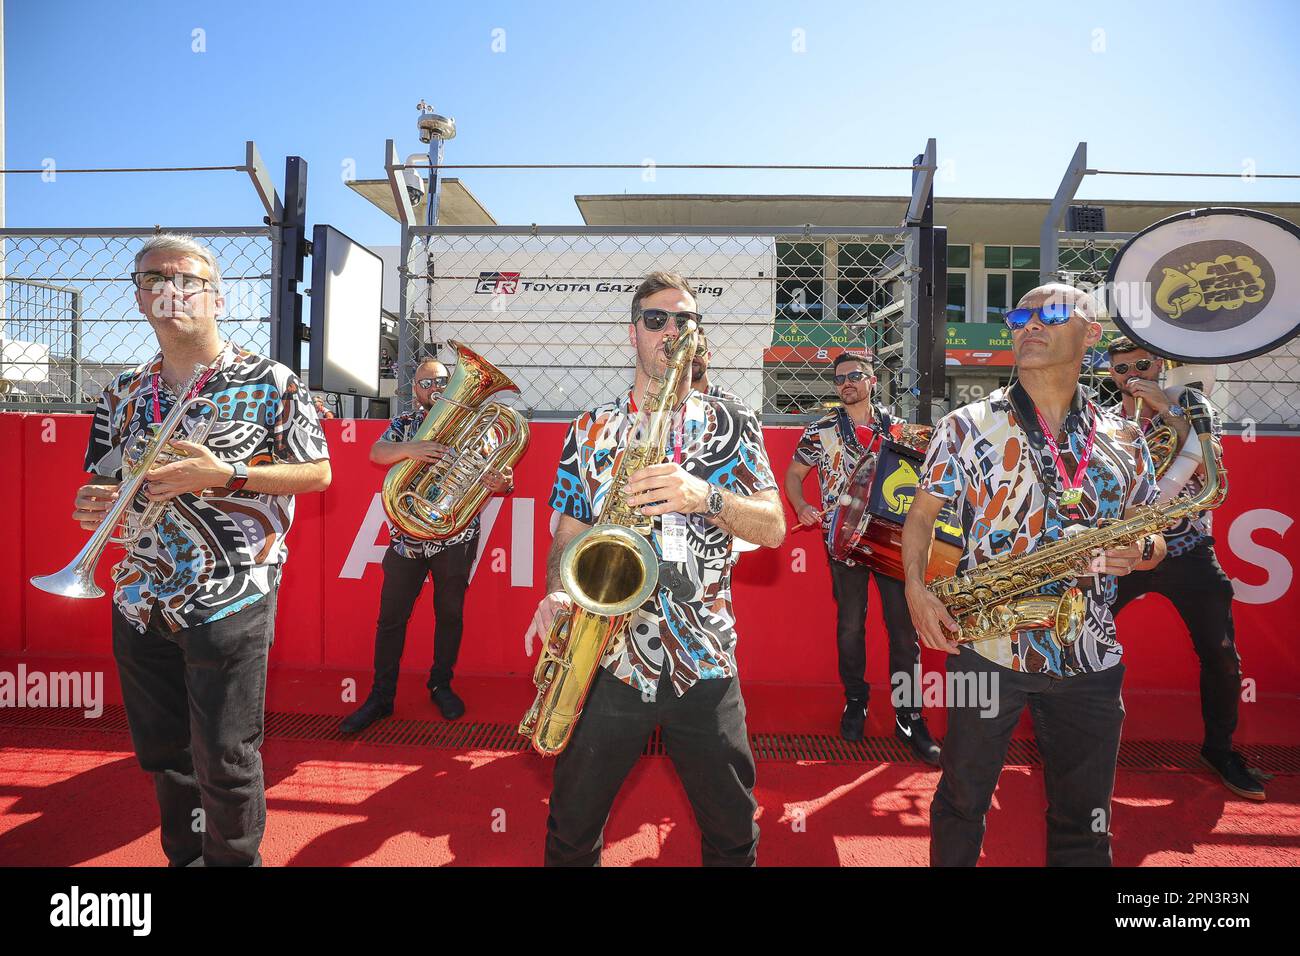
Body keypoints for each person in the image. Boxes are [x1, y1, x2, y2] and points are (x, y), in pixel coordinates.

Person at [72, 234, 331, 866]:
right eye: (152, 279)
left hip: (231, 591)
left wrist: (226, 474)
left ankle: (235, 862)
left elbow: (318, 473)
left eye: (186, 280)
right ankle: (185, 855)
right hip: (139, 593)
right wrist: (94, 505)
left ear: (217, 298)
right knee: (165, 750)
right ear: (138, 299)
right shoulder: (121, 392)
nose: (169, 290)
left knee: (226, 752)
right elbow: (102, 481)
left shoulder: (272, 380)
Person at [525, 270, 785, 867]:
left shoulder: (734, 423)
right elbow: (568, 536)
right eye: (656, 319)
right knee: (571, 830)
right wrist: (559, 595)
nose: (671, 330)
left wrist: (704, 497)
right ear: (633, 333)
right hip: (609, 655)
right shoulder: (590, 427)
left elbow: (772, 527)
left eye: (685, 320)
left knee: (732, 834)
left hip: (705, 656)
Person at [904, 283, 1166, 867]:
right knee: (961, 802)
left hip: (1091, 655)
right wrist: (917, 594)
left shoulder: (1125, 437)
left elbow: (1154, 535)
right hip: (989, 649)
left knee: (1085, 821)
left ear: (1090, 333)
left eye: (1049, 313)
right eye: (1019, 315)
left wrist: (1141, 549)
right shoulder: (965, 425)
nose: (1029, 325)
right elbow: (922, 519)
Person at [1105, 337, 1263, 800]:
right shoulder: (1104, 420)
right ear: (1109, 376)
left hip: (1189, 549)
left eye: (1142, 364)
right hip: (1124, 551)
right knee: (1079, 640)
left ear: (1159, 363)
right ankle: (1076, 743)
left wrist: (1167, 412)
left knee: (1221, 654)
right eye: (1121, 370)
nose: (1133, 375)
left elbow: (1208, 464)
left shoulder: (1190, 406)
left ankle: (1220, 749)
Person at [340, 358, 514, 731]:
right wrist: (412, 449)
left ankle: (441, 684)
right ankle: (381, 696)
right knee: (391, 619)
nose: (434, 386)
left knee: (449, 614)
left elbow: (500, 480)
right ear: (415, 389)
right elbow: (376, 453)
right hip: (407, 538)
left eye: (441, 380)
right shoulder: (405, 423)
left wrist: (500, 484)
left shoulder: (475, 426)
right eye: (426, 381)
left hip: (455, 536)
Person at [783, 351, 941, 763]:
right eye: (839, 379)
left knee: (903, 630)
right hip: (844, 541)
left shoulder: (903, 431)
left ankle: (909, 716)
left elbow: (928, 480)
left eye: (855, 376)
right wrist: (800, 506)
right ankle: (856, 700)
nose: (846, 383)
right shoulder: (819, 430)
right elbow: (794, 476)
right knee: (850, 626)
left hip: (892, 538)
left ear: (873, 380)